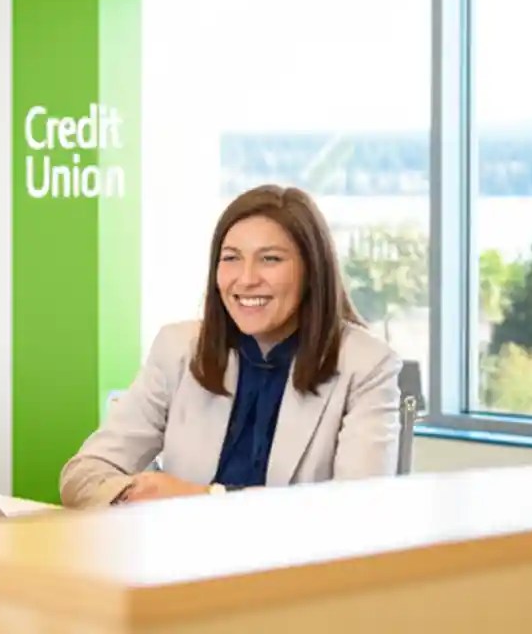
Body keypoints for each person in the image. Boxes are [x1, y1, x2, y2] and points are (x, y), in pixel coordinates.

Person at [61, 184, 403, 508]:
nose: (246, 278)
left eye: (270, 259)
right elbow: (83, 474)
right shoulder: (178, 349)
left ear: (312, 270)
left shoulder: (367, 365)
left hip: (294, 568)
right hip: (180, 564)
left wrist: (205, 498)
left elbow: (358, 510)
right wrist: (139, 494)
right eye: (231, 258)